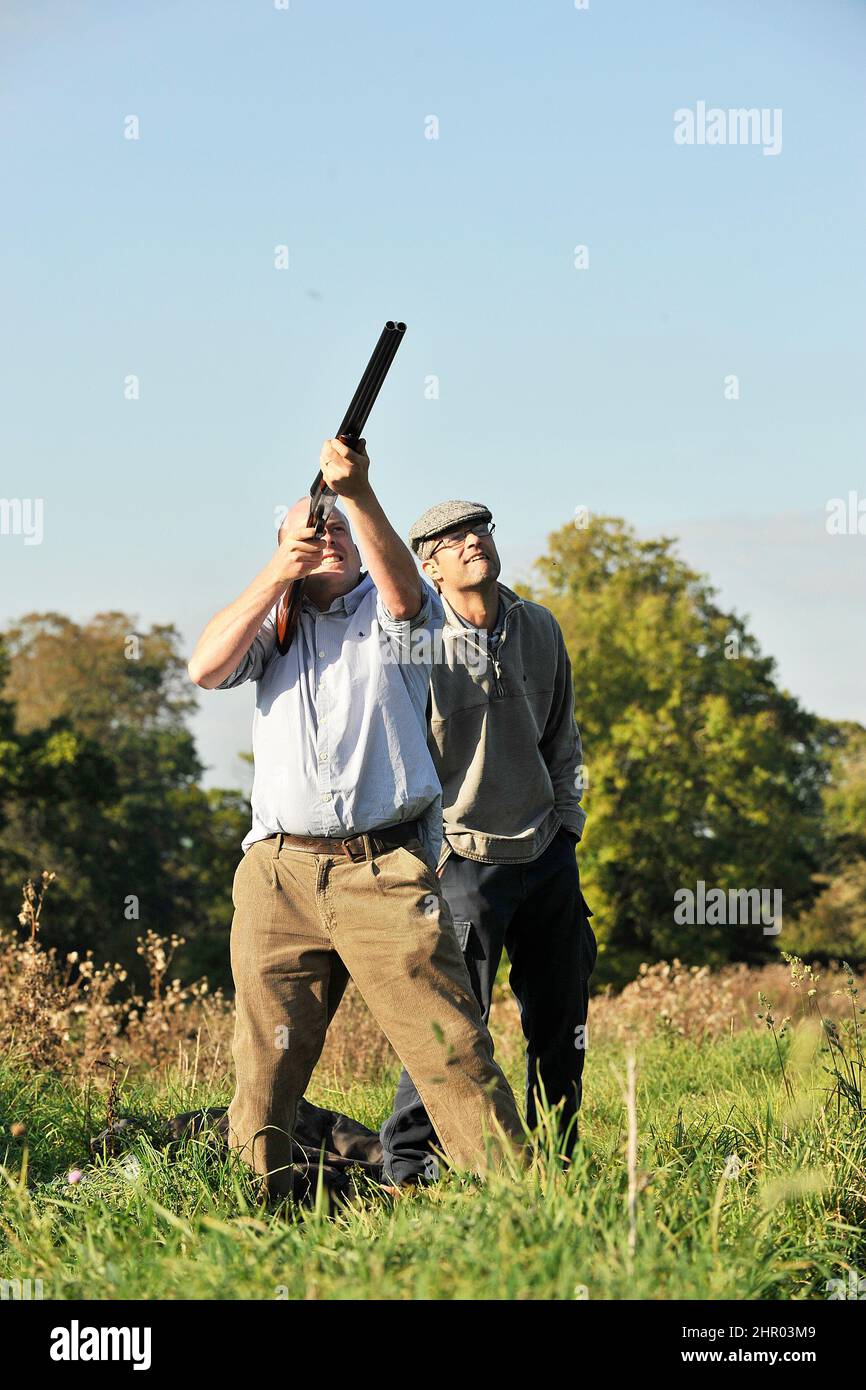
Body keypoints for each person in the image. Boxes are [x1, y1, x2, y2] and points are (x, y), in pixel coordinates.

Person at [188, 444, 524, 1201]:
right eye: (311, 527)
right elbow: (204, 668)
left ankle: (525, 1207)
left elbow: (406, 594)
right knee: (266, 1064)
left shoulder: (392, 611)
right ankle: (258, 1211)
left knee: (451, 1049)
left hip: (383, 870)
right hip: (278, 872)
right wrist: (278, 570)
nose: (327, 533)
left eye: (335, 526)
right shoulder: (268, 626)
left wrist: (357, 493)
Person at [379, 500, 597, 1186]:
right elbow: (399, 754)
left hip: (547, 854)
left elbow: (562, 737)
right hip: (463, 863)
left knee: (560, 1027)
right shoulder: (416, 643)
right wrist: (434, 850)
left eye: (480, 531)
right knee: (450, 1029)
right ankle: (409, 1171)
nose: (473, 542)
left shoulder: (539, 625)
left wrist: (567, 825)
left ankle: (555, 1167)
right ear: (429, 564)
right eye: (453, 539)